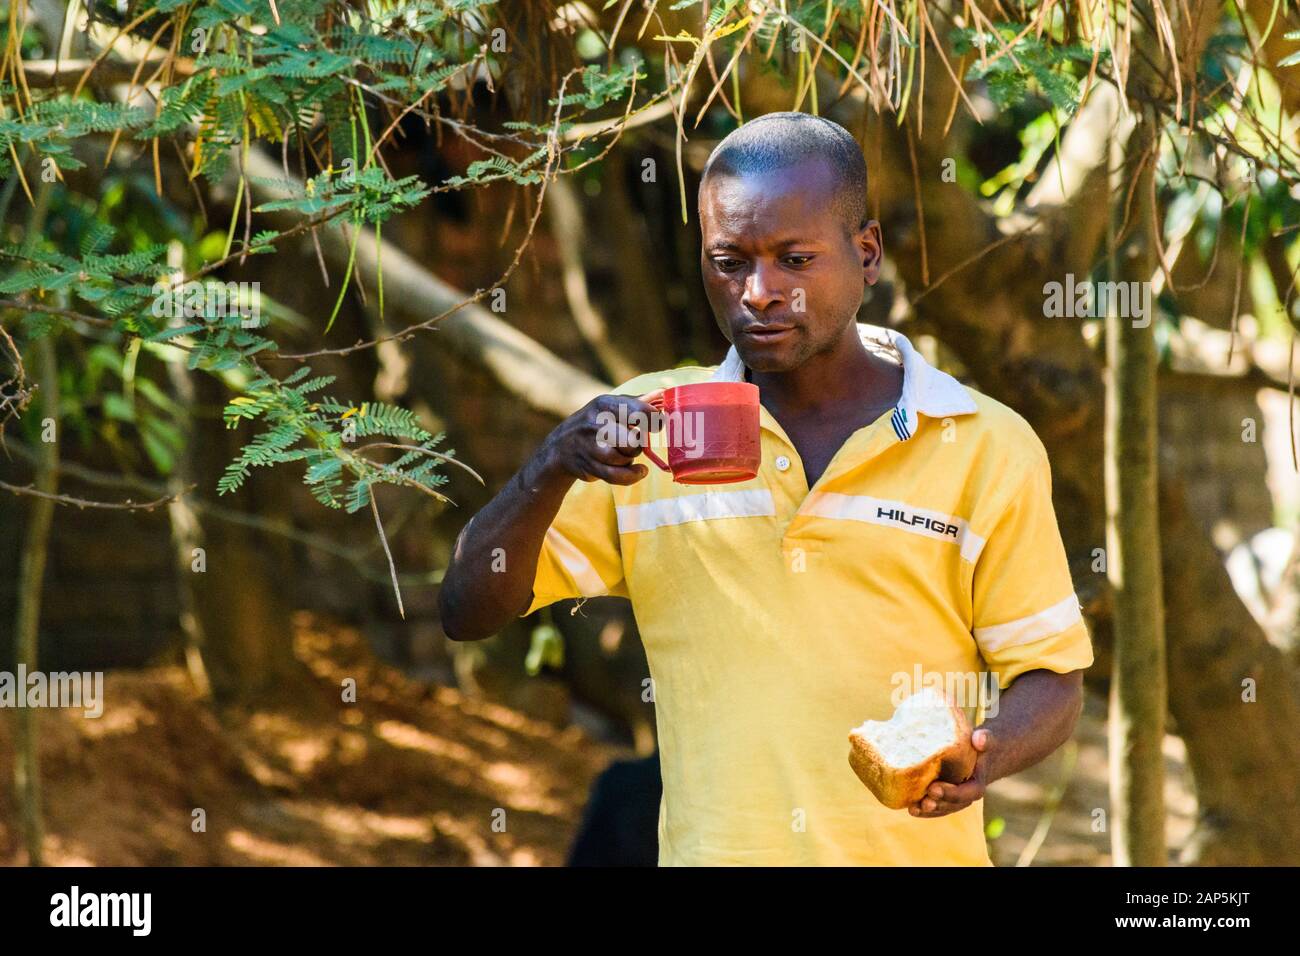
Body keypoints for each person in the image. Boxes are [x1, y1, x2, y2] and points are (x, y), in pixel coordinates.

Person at [439, 111, 1093, 866]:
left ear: (867, 253)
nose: (758, 291)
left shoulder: (984, 444)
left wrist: (981, 754)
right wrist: (549, 465)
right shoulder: (654, 429)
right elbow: (467, 607)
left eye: (794, 259)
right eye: (729, 261)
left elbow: (1051, 678)